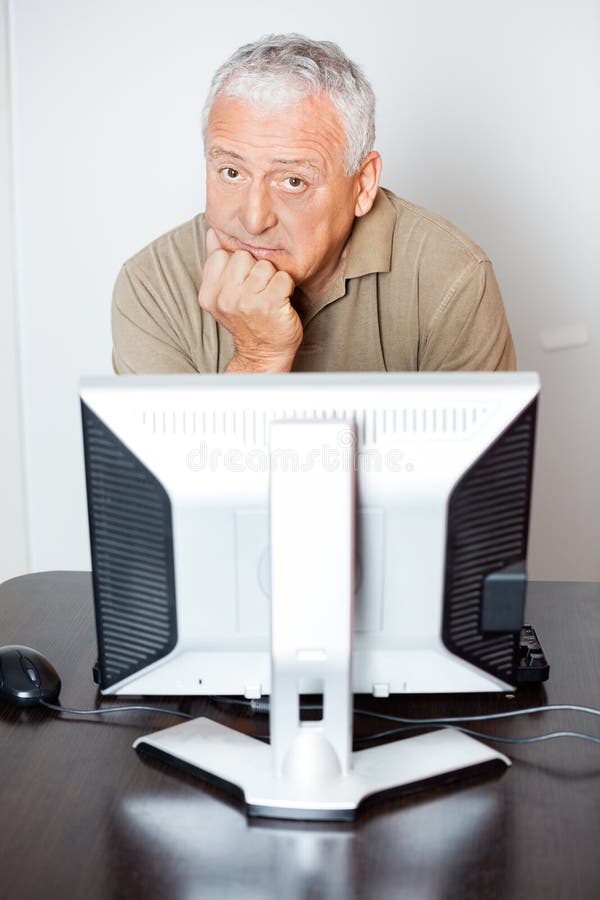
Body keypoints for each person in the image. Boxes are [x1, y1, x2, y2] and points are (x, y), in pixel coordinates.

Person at [112, 34, 516, 375]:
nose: (253, 220)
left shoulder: (450, 278)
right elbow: (176, 471)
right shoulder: (152, 284)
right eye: (231, 173)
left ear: (363, 184)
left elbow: (483, 470)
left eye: (293, 181)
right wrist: (259, 357)